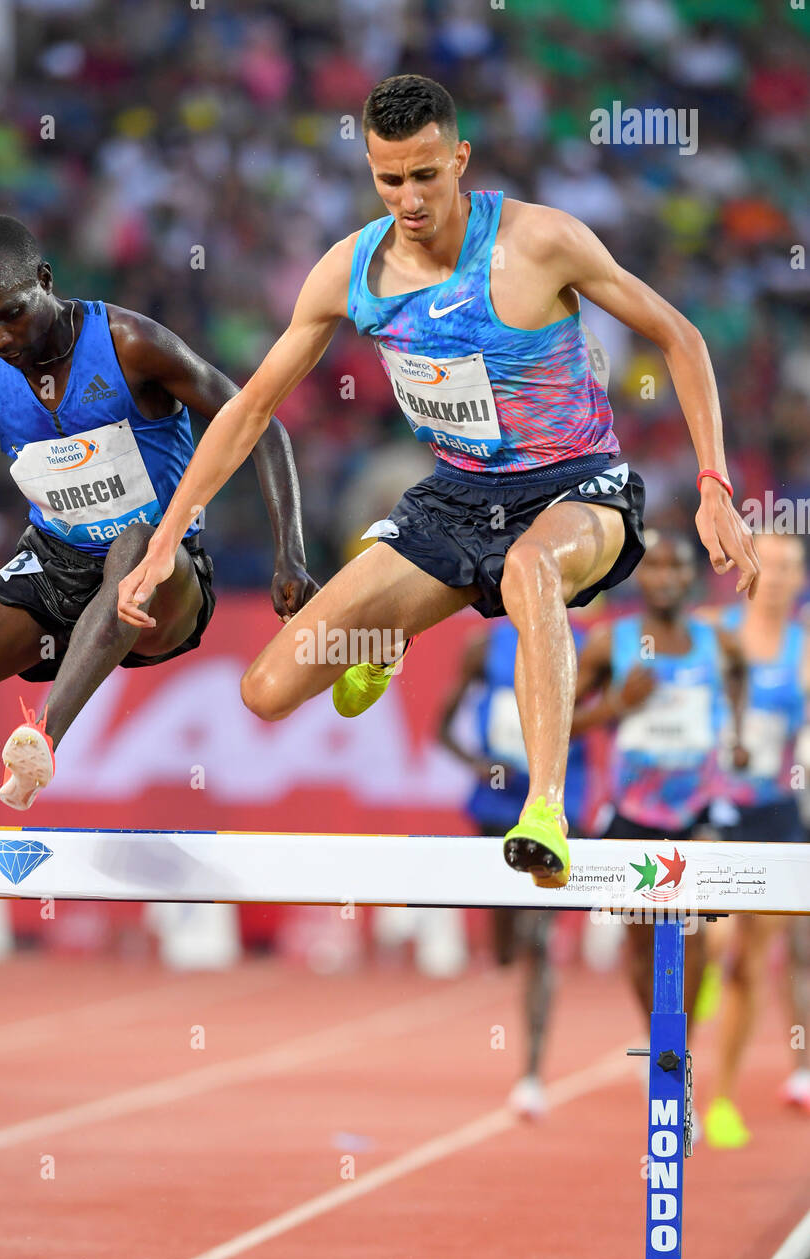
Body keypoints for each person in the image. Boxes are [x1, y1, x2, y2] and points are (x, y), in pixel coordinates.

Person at [117, 74, 760, 887]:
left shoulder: (539, 242)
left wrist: (712, 483)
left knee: (531, 569)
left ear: (460, 159)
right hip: (455, 501)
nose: (410, 198)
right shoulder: (350, 273)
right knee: (268, 690)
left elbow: (681, 337)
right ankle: (384, 644)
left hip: (576, 487)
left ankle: (545, 812)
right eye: (390, 179)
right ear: (370, 170)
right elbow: (247, 412)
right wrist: (166, 540)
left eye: (426, 175)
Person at [0, 215, 314, 810]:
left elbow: (260, 426)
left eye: (12, 312)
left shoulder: (129, 343)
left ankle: (40, 741)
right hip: (53, 570)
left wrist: (289, 555)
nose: (1, 338)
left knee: (135, 545)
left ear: (44, 279)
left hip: (165, 576)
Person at [570, 532, 747, 1032]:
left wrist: (734, 736)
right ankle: (661, 1043)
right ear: (637, 575)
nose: (666, 578)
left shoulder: (719, 641)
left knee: (694, 934)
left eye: (678, 568)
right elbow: (559, 723)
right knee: (641, 942)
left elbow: (739, 681)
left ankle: (678, 1049)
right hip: (633, 812)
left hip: (699, 809)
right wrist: (615, 705)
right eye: (655, 567)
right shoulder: (612, 643)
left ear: (693, 576)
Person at [438, 616, 591, 1117]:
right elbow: (441, 728)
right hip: (496, 805)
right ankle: (506, 952)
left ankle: (530, 1074)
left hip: (557, 810)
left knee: (537, 937)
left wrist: (604, 709)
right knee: (506, 946)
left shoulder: (590, 647)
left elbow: (599, 718)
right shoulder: (486, 645)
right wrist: (478, 763)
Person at [703, 531, 810, 1146]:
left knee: (752, 962)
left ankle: (722, 1099)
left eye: (795, 568)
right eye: (775, 565)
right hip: (714, 808)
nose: (786, 578)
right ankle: (696, 1001)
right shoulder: (713, 632)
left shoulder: (802, 647)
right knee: (714, 944)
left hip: (774, 814)